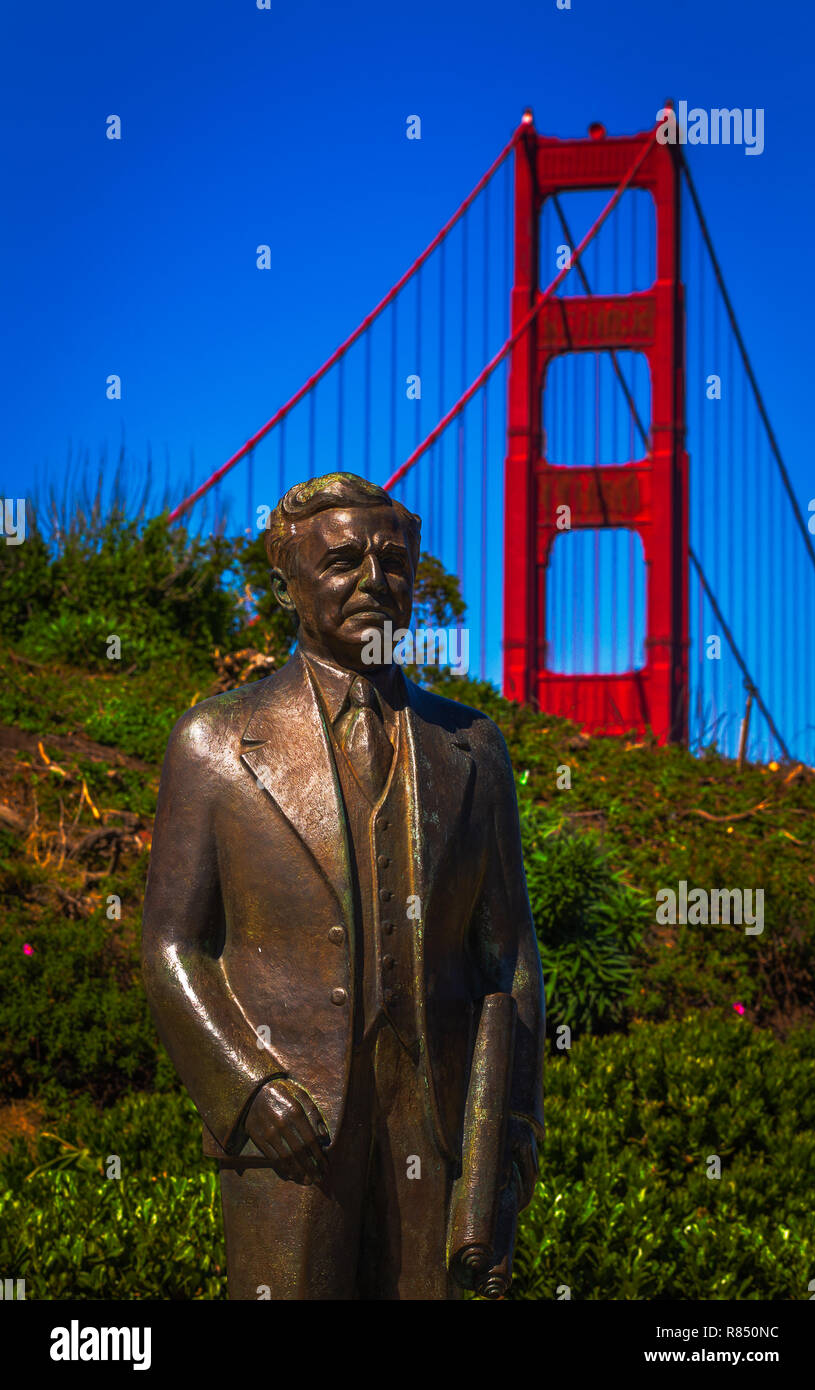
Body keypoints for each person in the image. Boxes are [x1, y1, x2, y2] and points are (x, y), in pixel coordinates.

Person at [142, 471, 544, 1300]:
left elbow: (511, 957)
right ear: (287, 582)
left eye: (393, 562)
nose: (374, 581)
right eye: (341, 561)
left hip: (436, 1124)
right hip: (287, 1121)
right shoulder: (213, 742)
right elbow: (172, 946)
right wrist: (247, 1091)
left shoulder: (473, 748)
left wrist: (511, 1127)